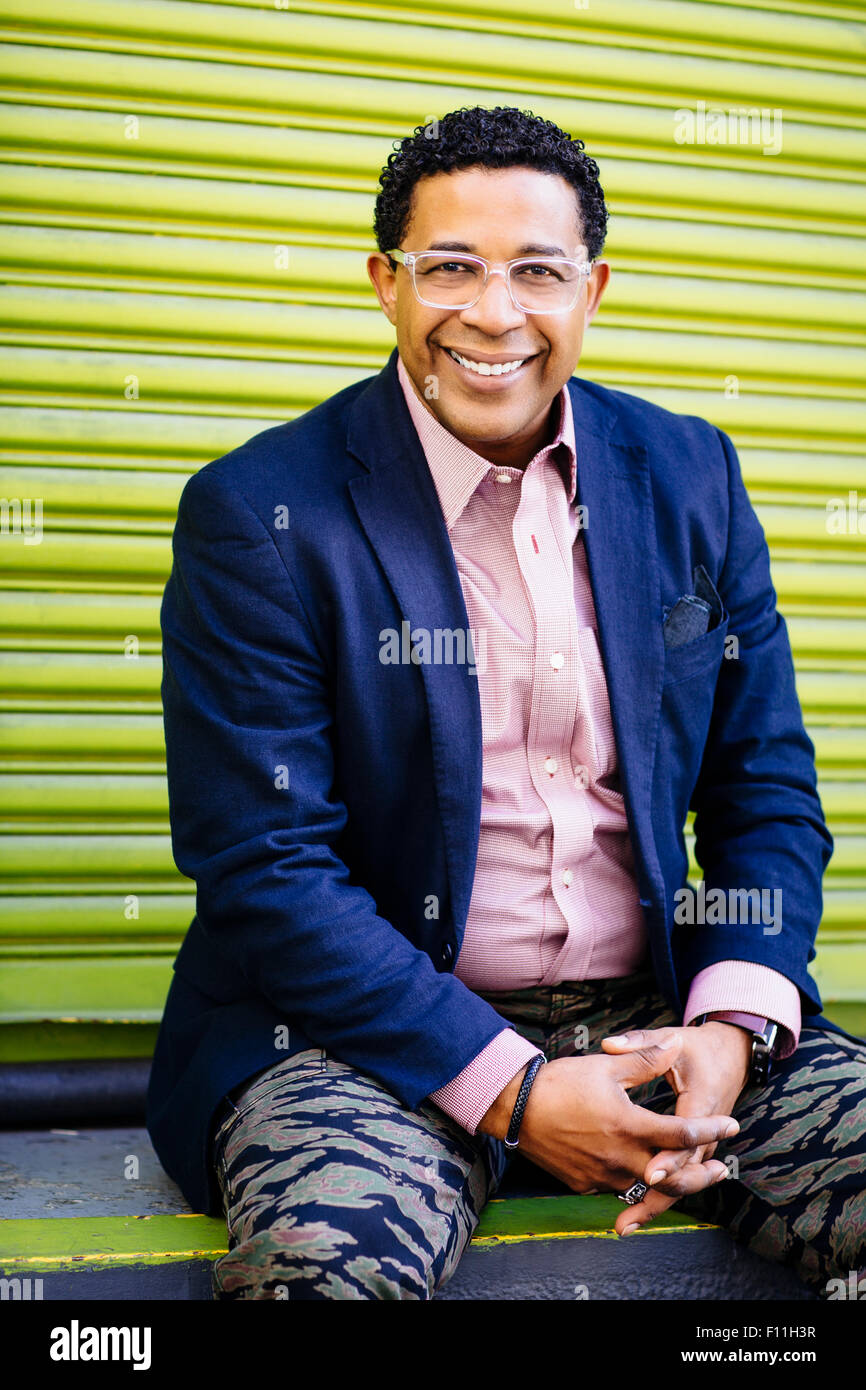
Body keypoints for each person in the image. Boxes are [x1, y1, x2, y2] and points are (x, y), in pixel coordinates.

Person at [146, 105, 866, 1300]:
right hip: (357, 1033)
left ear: (591, 289)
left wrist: (729, 1027)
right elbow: (265, 866)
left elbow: (762, 788)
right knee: (323, 1281)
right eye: (449, 268)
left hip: (658, 1011)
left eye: (536, 270)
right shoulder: (261, 513)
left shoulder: (690, 473)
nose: (493, 312)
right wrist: (515, 1089)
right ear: (385, 284)